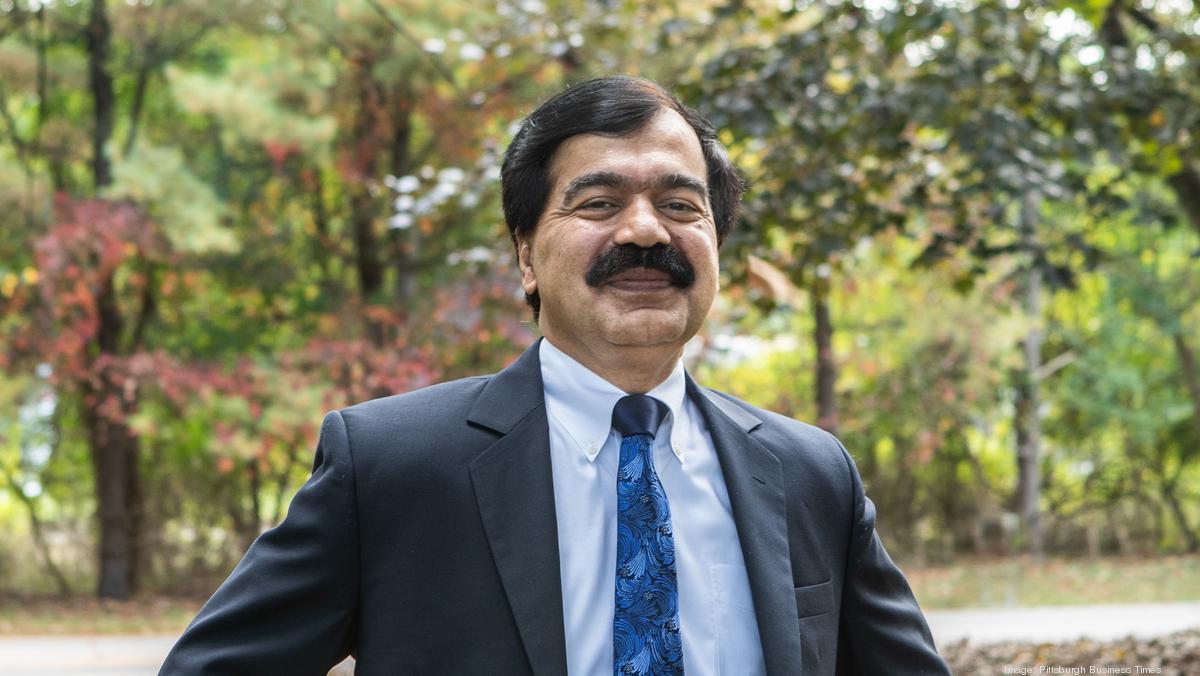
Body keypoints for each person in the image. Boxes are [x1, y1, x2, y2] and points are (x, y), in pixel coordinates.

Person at [160, 75, 950, 676]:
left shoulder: (811, 474)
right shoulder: (390, 467)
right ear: (527, 256)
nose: (645, 230)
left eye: (681, 205)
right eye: (599, 203)